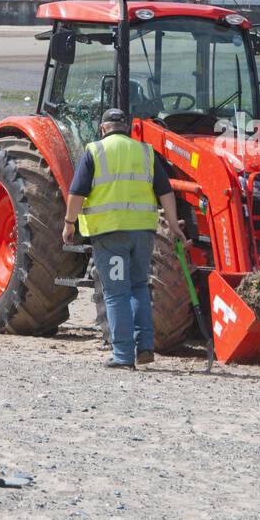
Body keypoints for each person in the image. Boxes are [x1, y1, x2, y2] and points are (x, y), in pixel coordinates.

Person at [62, 108, 186, 369]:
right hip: (143, 232)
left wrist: (69, 223)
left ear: (103, 129)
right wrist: (174, 225)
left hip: (110, 233)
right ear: (127, 128)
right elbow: (165, 192)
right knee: (139, 286)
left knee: (116, 293)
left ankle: (122, 355)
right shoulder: (145, 151)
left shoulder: (95, 151)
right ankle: (145, 346)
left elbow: (76, 194)